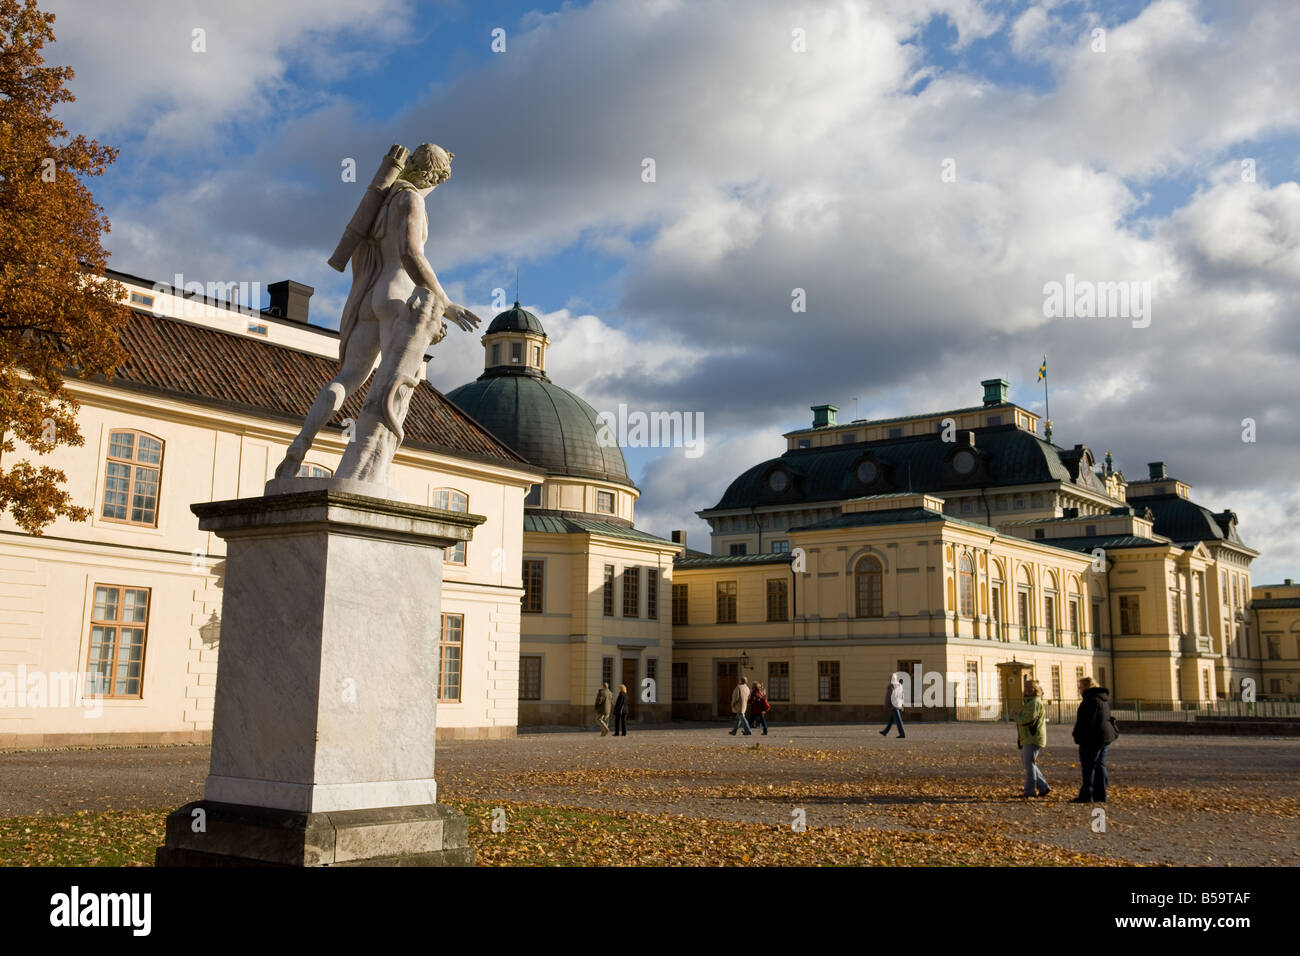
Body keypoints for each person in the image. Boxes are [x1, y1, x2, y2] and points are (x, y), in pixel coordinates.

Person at [1072, 675, 1118, 802]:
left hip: (1093, 738)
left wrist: (1077, 735)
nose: (1079, 689)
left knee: (1089, 767)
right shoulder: (1101, 698)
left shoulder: (1090, 700)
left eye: (1080, 686)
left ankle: (1087, 795)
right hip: (1105, 736)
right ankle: (1100, 794)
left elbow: (1087, 722)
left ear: (1086, 687)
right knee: (1099, 766)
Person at [1014, 678, 1050, 797]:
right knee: (1028, 763)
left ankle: (1030, 791)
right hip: (1029, 737)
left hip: (1033, 737)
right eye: (1026, 687)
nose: (1027, 690)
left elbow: (1028, 720)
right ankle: (1043, 786)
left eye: (1030, 688)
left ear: (1036, 690)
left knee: (1029, 764)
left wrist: (1016, 716)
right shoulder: (1030, 702)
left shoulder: (1034, 702)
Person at [879, 674, 906, 738]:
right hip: (898, 704)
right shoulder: (900, 685)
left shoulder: (891, 686)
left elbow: (888, 696)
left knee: (899, 720)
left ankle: (902, 734)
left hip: (893, 705)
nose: (889, 678)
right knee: (892, 719)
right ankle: (885, 731)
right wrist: (902, 704)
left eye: (890, 677)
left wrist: (886, 705)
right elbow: (902, 695)